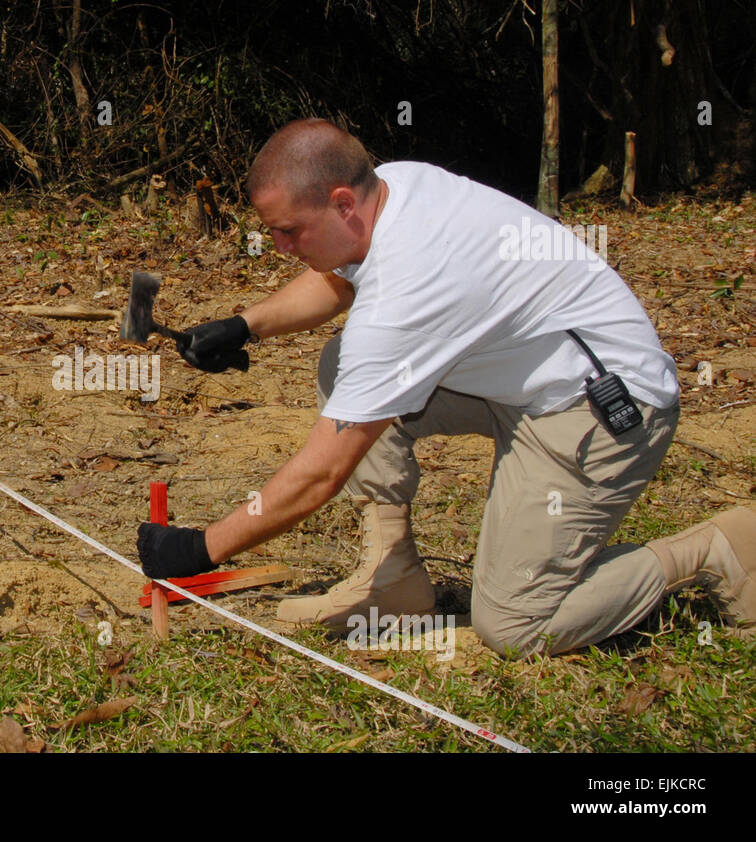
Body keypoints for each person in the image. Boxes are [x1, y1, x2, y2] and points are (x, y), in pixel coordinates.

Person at [137, 118, 756, 656]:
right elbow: (344, 278)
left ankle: (712, 550)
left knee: (516, 624)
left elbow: (319, 476)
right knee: (343, 364)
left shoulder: (411, 288)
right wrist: (246, 326)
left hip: (605, 410)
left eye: (289, 231)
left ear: (343, 202)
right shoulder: (395, 185)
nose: (278, 246)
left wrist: (199, 550)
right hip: (527, 383)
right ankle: (395, 579)